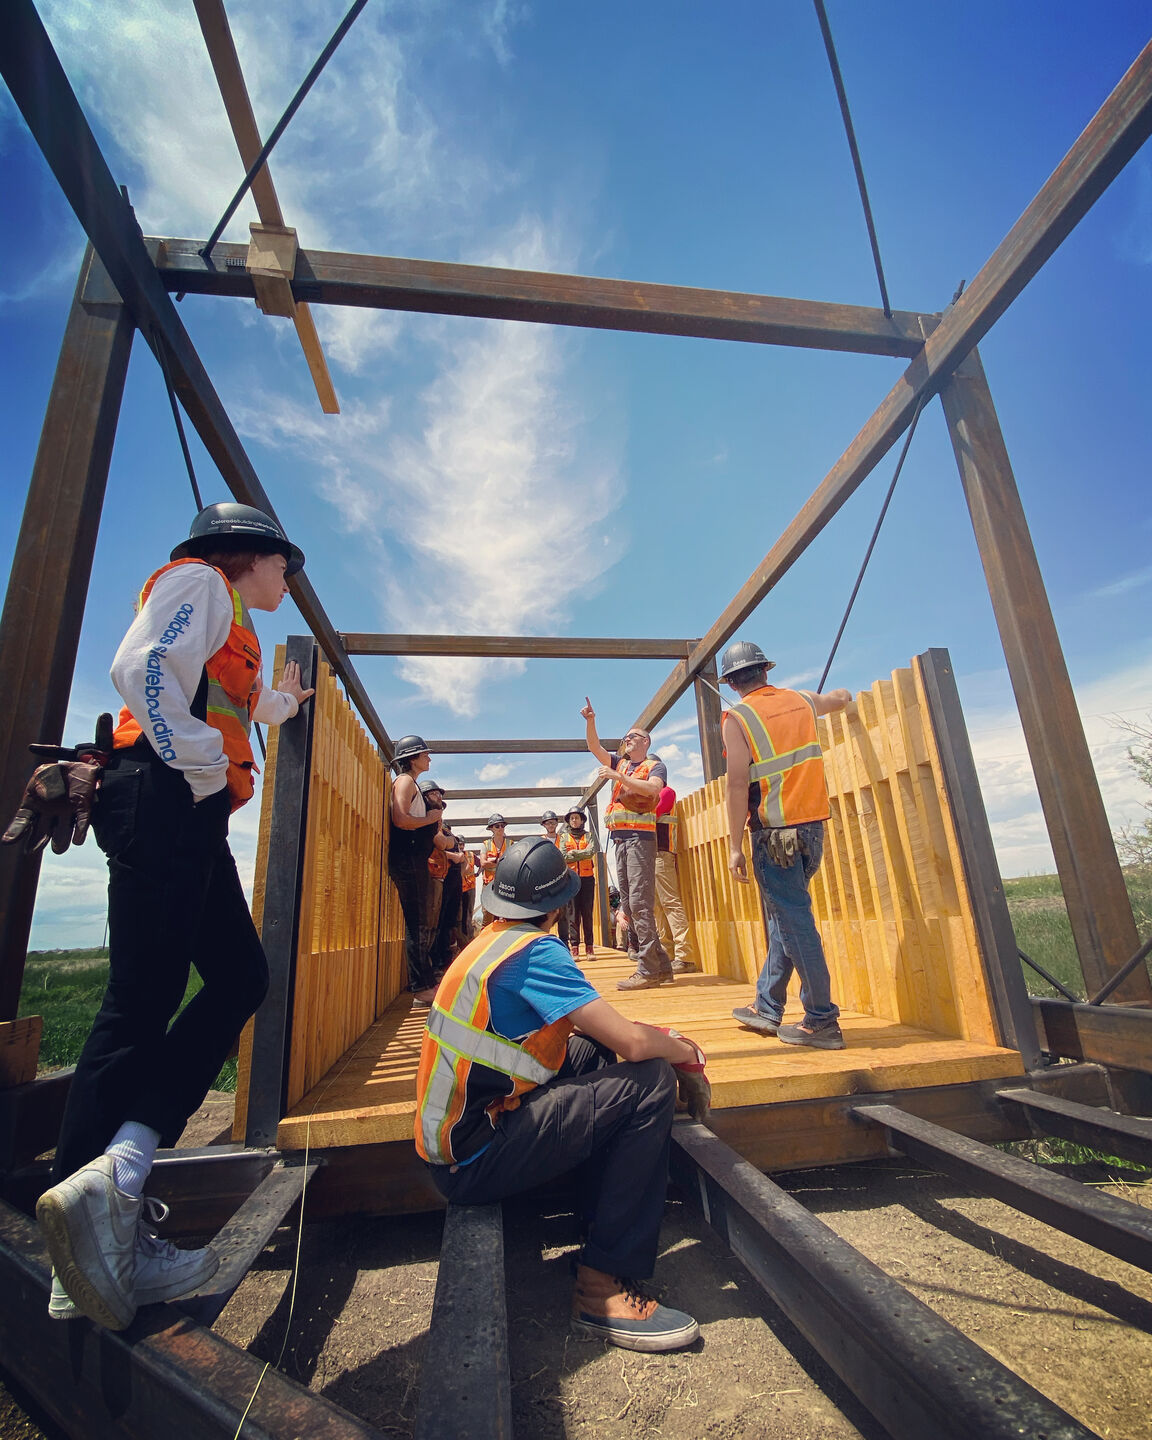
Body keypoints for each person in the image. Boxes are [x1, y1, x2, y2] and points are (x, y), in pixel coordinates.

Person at [26, 501, 314, 1331]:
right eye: (284, 563)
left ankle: (117, 1176)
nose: (289, 578)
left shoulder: (232, 624)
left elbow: (243, 702)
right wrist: (199, 765)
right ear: (246, 554)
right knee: (138, 1005)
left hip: (185, 808)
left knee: (239, 978)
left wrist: (285, 704)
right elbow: (142, 670)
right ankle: (82, 1245)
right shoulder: (201, 582)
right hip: (166, 795)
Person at [414, 836, 710, 1351]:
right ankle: (601, 1288)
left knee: (591, 1050)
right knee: (651, 1084)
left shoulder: (491, 941)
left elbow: (599, 1033)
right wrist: (685, 1053)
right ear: (557, 907)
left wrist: (644, 1040)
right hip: (474, 1161)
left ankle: (597, 1221)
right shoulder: (538, 953)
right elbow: (634, 1045)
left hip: (456, 1144)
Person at [720, 640, 852, 1049]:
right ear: (765, 671)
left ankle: (822, 1019)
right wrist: (845, 698)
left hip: (774, 834)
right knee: (786, 916)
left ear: (732, 683)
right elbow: (838, 698)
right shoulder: (802, 700)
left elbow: (737, 784)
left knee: (795, 921)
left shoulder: (738, 718)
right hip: (812, 829)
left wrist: (735, 846)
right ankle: (768, 1005)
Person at [581, 699, 672, 990]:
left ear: (645, 742)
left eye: (632, 736)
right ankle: (662, 966)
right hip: (621, 840)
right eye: (626, 737)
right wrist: (591, 722)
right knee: (631, 903)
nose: (627, 740)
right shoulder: (620, 763)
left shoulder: (654, 766)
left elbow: (654, 790)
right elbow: (594, 747)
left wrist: (619, 777)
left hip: (639, 839)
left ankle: (648, 970)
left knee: (640, 904)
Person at [388, 736, 447, 1003]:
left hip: (414, 860)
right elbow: (400, 819)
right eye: (425, 754)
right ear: (412, 758)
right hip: (408, 859)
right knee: (417, 924)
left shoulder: (410, 784)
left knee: (421, 923)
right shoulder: (404, 781)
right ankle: (421, 988)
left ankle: (425, 982)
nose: (429, 758)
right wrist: (429, 818)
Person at [653, 787, 699, 974]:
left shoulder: (666, 792)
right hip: (651, 856)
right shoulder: (652, 795)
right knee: (658, 908)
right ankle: (667, 954)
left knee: (670, 904)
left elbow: (648, 815)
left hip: (662, 854)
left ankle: (685, 957)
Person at [561, 806, 598, 957]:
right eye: (572, 818)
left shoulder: (589, 836)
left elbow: (591, 852)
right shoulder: (564, 837)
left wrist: (574, 852)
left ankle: (589, 947)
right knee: (573, 914)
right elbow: (564, 856)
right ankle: (574, 947)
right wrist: (581, 854)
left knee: (587, 913)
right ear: (569, 821)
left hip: (587, 878)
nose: (574, 820)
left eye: (577, 818)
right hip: (571, 879)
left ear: (582, 820)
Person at [540, 810, 572, 949]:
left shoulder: (564, 839)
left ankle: (565, 943)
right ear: (544, 825)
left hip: (562, 879)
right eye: (548, 823)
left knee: (563, 912)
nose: (551, 825)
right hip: (547, 881)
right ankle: (543, 942)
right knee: (545, 912)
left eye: (553, 822)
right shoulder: (541, 841)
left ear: (556, 824)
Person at [480, 813, 508, 886]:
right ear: (491, 828)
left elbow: (513, 863)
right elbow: (483, 863)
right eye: (497, 826)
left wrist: (492, 860)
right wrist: (501, 862)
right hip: (489, 884)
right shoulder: (486, 844)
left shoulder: (510, 844)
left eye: (502, 825)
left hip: (505, 884)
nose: (500, 828)